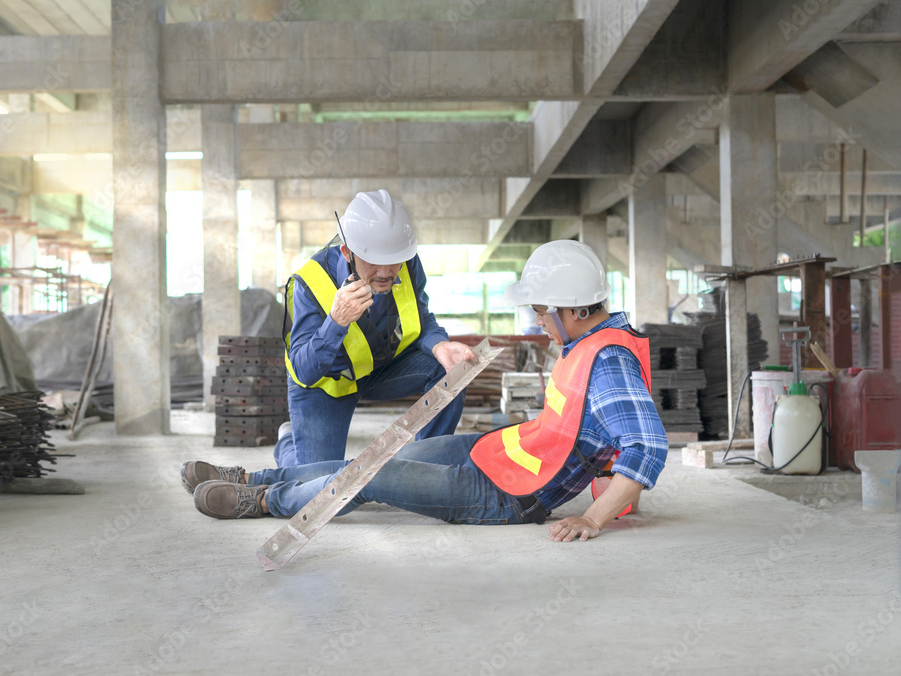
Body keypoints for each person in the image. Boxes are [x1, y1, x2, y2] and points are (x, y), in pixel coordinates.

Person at [186, 240, 668, 542]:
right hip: (498, 453)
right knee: (379, 454)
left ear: (576, 309)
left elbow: (646, 446)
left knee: (369, 476)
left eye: (542, 310)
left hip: (505, 495)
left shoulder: (609, 360)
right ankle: (253, 477)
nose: (538, 322)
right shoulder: (588, 341)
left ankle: (264, 502)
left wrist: (595, 518)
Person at [180, 189, 474, 488]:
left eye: (394, 260)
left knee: (448, 369)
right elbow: (305, 370)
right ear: (347, 252)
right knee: (320, 486)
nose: (387, 272)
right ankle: (288, 442)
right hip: (325, 383)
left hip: (379, 368)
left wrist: (440, 344)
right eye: (374, 260)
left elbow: (421, 316)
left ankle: (424, 468)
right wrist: (336, 321)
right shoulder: (310, 283)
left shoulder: (407, 263)